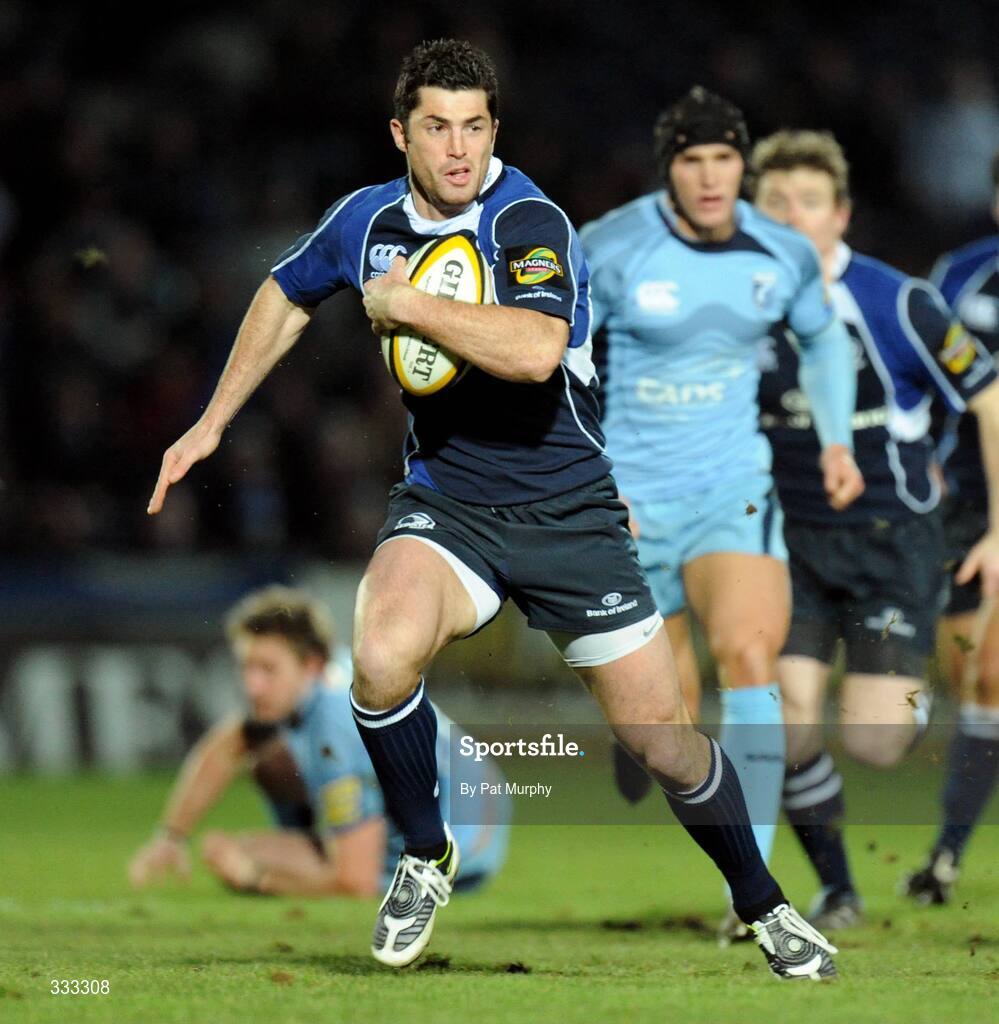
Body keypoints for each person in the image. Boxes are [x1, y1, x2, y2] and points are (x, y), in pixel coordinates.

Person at [148, 41, 838, 979]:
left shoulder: (528, 220)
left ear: (494, 133)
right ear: (401, 133)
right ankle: (425, 855)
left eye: (474, 126)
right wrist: (210, 423)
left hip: (569, 512)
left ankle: (763, 905)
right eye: (437, 126)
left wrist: (409, 304)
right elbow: (286, 290)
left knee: (665, 744)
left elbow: (535, 353)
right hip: (449, 503)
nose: (458, 148)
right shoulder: (367, 221)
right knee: (380, 655)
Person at [580, 87, 864, 938]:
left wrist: (836, 439)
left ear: (743, 164)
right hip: (628, 502)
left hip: (729, 491)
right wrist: (587, 472)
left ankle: (757, 895)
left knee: (750, 653)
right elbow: (556, 360)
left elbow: (818, 339)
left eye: (723, 159)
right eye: (690, 159)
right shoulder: (611, 246)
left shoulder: (777, 251)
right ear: (667, 167)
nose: (709, 177)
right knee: (659, 726)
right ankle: (640, 750)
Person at [751, 129, 999, 927]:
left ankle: (905, 689)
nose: (792, 217)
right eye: (776, 202)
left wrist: (997, 530)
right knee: (783, 715)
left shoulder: (898, 302)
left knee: (875, 741)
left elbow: (990, 403)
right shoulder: (728, 308)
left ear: (842, 214)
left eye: (809, 202)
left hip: (892, 542)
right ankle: (835, 889)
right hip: (785, 544)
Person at [128, 586, 510, 897]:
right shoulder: (329, 678)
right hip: (472, 805)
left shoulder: (334, 723)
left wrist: (254, 878)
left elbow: (355, 882)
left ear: (310, 665)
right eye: (247, 667)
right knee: (255, 789)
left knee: (243, 851)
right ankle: (333, 848)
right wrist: (171, 836)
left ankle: (386, 868)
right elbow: (230, 742)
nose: (252, 685)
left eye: (267, 669)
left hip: (461, 844)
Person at [902, 149, 999, 904]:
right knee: (966, 675)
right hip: (963, 500)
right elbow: (924, 375)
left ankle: (941, 858)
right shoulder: (960, 275)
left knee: (991, 677)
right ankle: (946, 854)